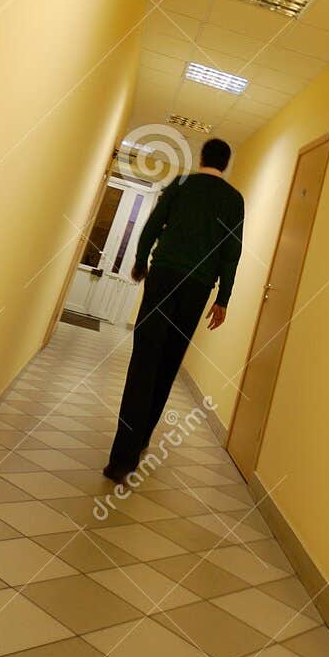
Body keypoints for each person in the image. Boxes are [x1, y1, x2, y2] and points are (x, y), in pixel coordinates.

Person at [104, 137, 244, 483]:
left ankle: (122, 460)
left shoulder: (180, 184)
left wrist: (140, 261)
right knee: (168, 365)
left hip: (164, 277)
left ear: (201, 158)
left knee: (144, 362)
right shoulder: (234, 200)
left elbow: (152, 225)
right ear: (225, 165)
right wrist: (223, 298)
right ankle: (142, 440)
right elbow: (232, 251)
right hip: (197, 289)